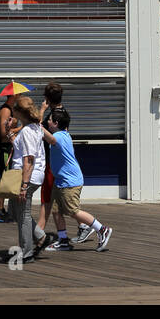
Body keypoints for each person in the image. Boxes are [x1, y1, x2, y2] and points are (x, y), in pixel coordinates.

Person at [38, 105, 113, 251]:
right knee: (56, 210)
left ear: (56, 124)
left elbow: (51, 139)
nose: (48, 121)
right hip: (60, 181)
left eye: (51, 120)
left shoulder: (59, 136)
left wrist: (38, 126)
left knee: (73, 211)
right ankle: (63, 240)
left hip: (69, 182)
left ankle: (102, 229)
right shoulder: (63, 133)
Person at [7, 96, 47, 262]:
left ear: (19, 112)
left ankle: (27, 252)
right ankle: (41, 235)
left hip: (28, 177)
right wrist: (10, 133)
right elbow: (20, 147)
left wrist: (24, 186)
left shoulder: (28, 131)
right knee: (15, 212)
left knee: (23, 215)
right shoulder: (34, 128)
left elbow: (28, 159)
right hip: (25, 175)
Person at [33, 81, 63, 249]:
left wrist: (42, 110)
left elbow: (38, 127)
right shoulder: (61, 113)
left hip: (51, 163)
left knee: (47, 200)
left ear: (47, 98)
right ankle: (85, 225)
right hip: (56, 162)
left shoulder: (54, 116)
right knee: (59, 201)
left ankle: (39, 235)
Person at [0, 92, 18, 222]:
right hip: (5, 150)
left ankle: (6, 209)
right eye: (19, 94)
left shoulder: (11, 110)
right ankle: (0, 210)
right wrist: (21, 128)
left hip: (10, 148)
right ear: (13, 96)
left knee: (9, 178)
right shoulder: (6, 110)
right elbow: (3, 133)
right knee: (5, 178)